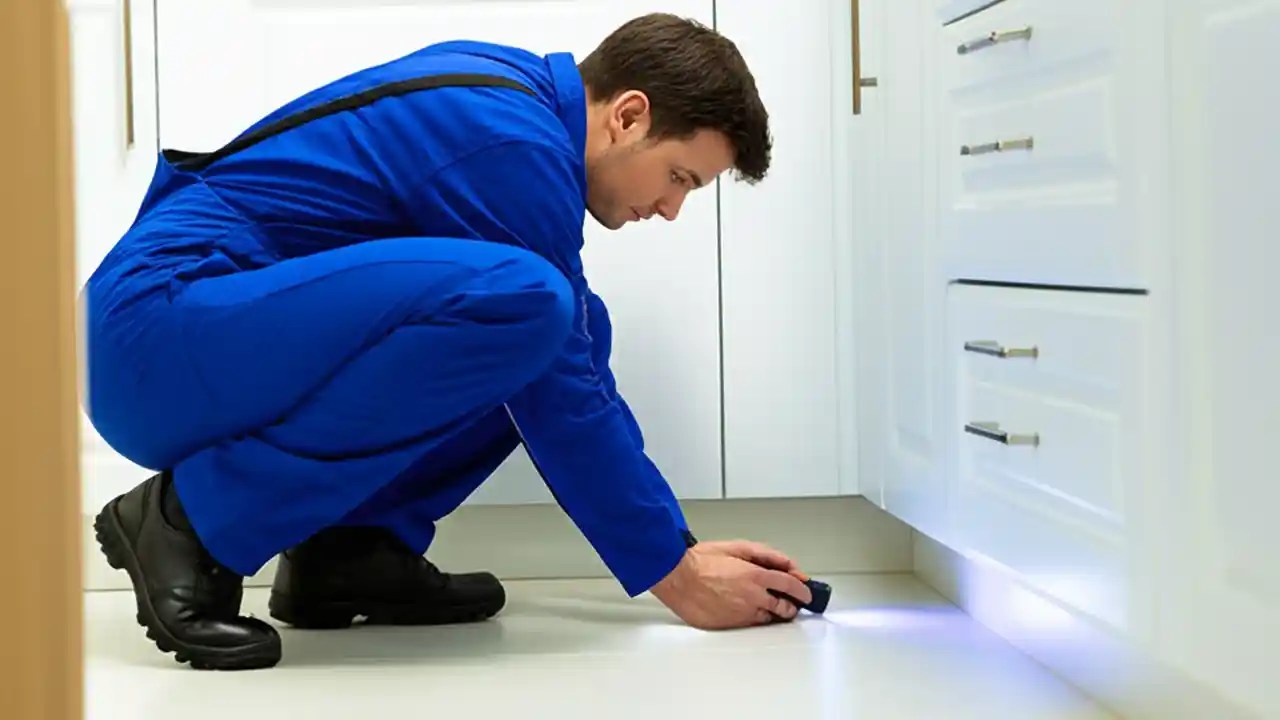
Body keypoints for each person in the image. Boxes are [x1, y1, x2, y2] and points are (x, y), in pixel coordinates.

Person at [82, 12, 814, 671]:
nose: (672, 209)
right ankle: (189, 524)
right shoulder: (509, 139)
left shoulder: (514, 108)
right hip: (154, 334)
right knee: (531, 307)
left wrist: (675, 545)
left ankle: (352, 549)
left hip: (190, 331)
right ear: (628, 116)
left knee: (565, 319)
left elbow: (569, 364)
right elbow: (562, 392)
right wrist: (675, 573)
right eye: (680, 176)